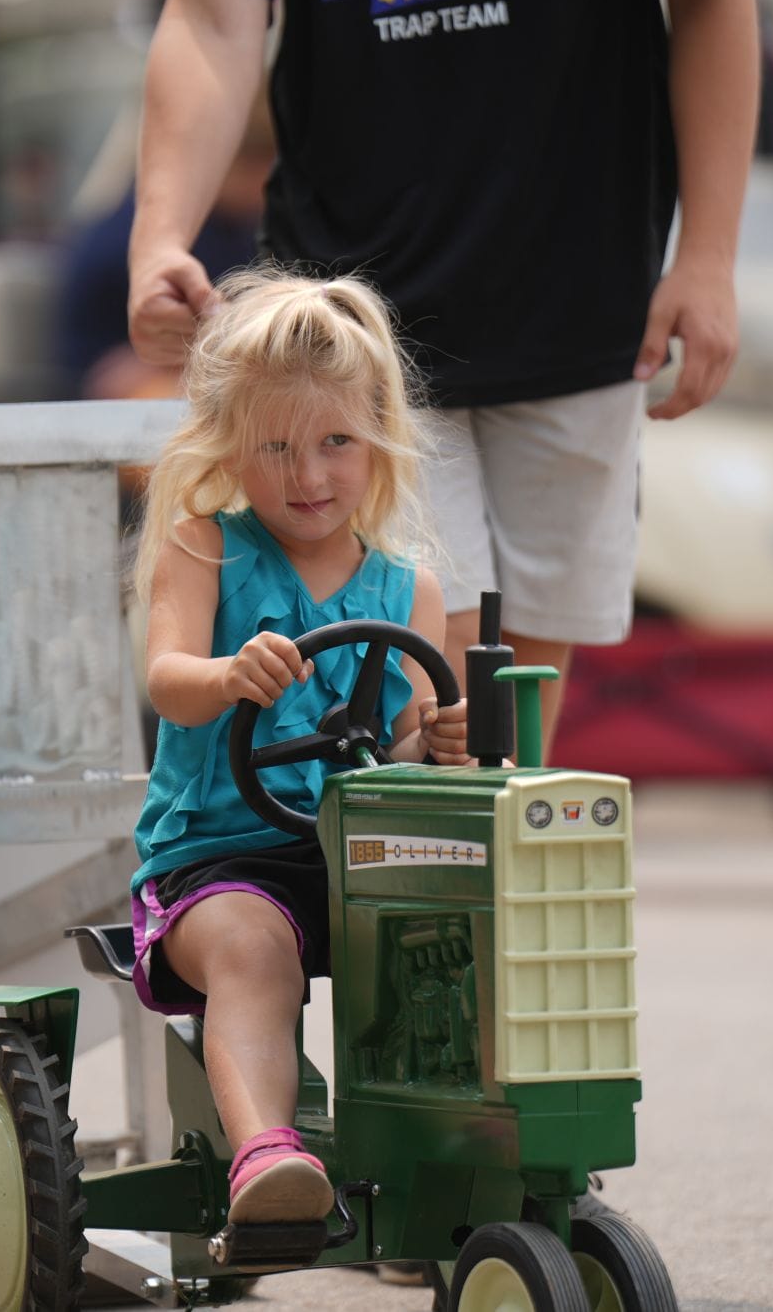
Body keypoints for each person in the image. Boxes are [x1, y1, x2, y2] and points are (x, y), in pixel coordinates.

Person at [127, 0, 759, 754]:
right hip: (354, 334)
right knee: (442, 659)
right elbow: (214, 13)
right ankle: (419, 865)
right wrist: (159, 237)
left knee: (524, 680)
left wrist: (709, 252)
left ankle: (475, 872)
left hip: (583, 298)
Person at [131, 269, 468, 1222]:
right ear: (232, 447)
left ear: (376, 443)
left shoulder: (412, 594)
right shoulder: (206, 548)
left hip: (355, 862)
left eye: (335, 443)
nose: (309, 475)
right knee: (255, 946)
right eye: (276, 447)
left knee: (463, 934)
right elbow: (167, 677)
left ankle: (462, 1154)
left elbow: (396, 745)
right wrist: (229, 674)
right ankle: (266, 1154)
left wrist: (438, 741)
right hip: (217, 863)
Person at [57, 100, 274, 401]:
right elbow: (106, 378)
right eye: (262, 165)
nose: (268, 183)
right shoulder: (121, 243)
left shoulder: (243, 229)